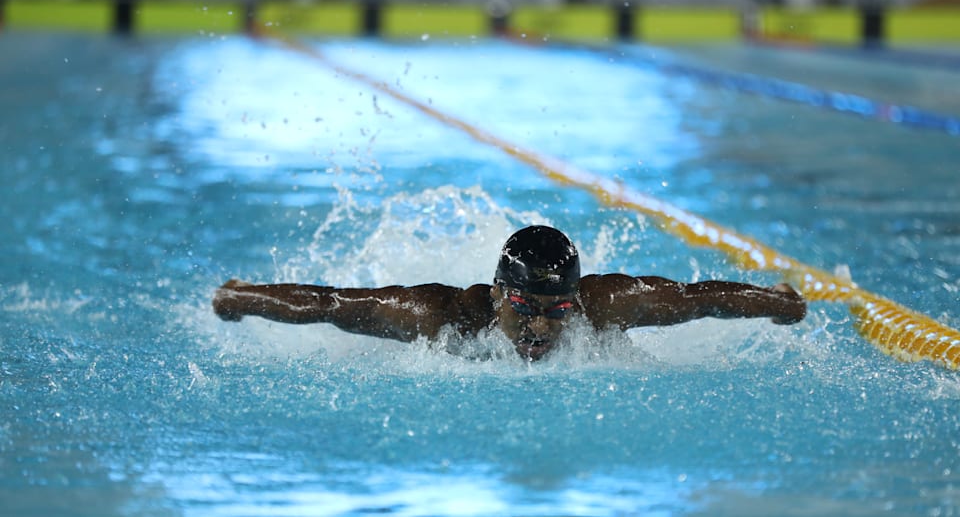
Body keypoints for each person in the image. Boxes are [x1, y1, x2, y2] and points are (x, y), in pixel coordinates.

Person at [213, 225, 806, 361]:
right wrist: (241, 296)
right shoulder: (439, 316)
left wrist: (779, 303)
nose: (543, 329)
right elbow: (331, 305)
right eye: (524, 308)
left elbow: (700, 297)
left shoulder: (606, 304)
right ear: (498, 294)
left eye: (557, 310)